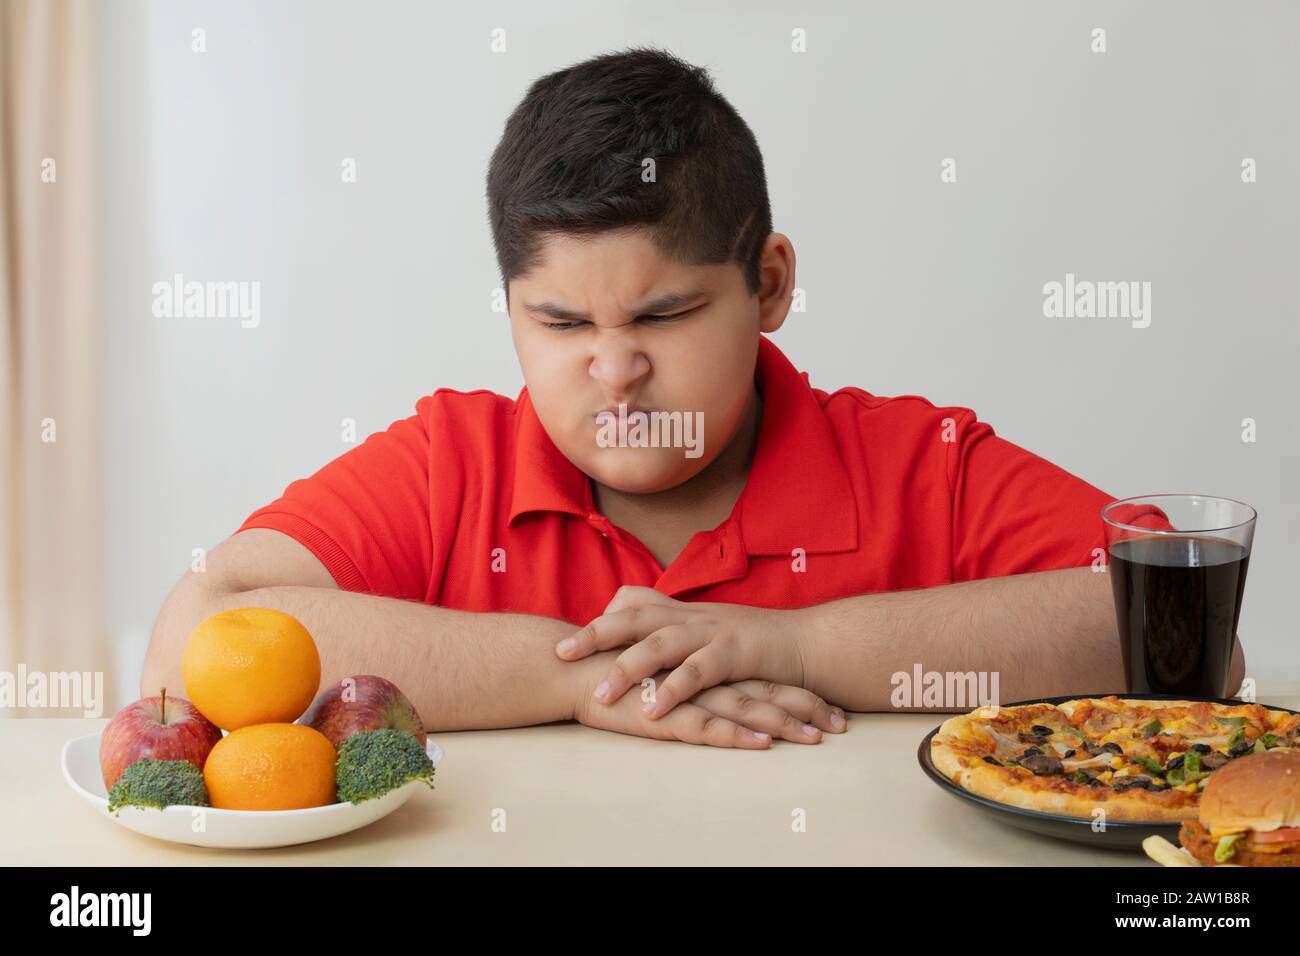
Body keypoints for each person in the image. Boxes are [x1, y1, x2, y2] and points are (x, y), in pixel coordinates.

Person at [141, 47, 1243, 748]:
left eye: (662, 317)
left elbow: (1191, 636)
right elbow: (192, 639)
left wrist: (797, 647)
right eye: (561, 324)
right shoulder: (451, 463)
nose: (613, 374)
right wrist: (575, 677)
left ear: (767, 285)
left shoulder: (915, 463)